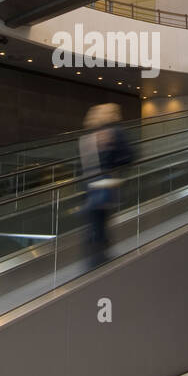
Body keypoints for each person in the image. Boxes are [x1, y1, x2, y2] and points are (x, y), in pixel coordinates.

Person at [79, 103, 134, 267]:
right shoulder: (116, 133)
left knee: (94, 219)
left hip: (90, 184)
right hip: (106, 182)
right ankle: (99, 258)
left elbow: (82, 165)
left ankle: (92, 256)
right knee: (101, 219)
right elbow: (129, 156)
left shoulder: (88, 136)